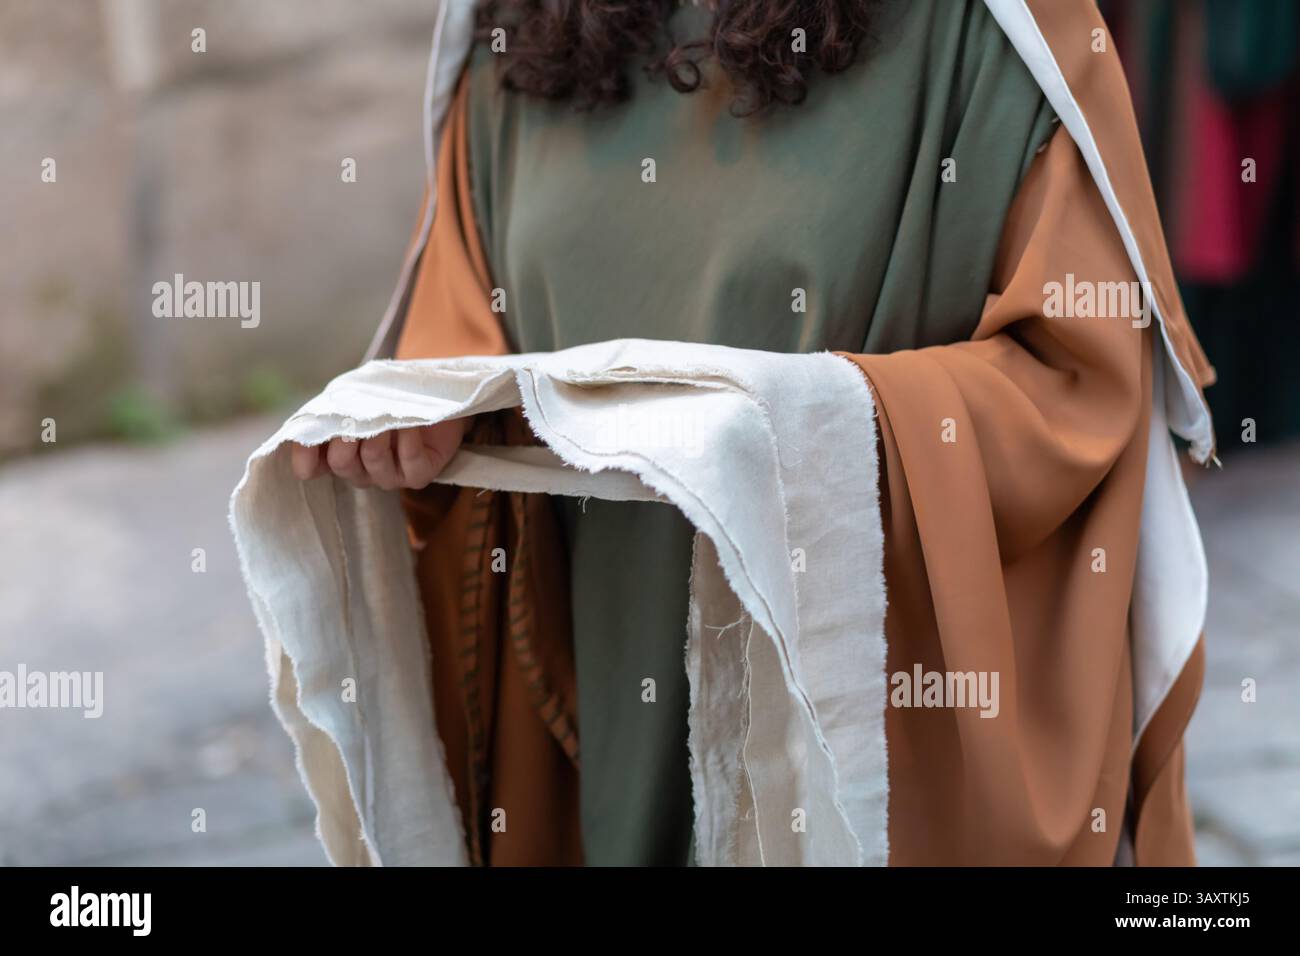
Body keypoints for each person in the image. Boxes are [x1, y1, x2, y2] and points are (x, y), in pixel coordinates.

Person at [289, 0, 1215, 866]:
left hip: (861, 731)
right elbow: (461, 348)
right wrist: (417, 432)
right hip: (598, 689)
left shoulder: (988, 29)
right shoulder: (516, 29)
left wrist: (803, 430)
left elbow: (1076, 388)